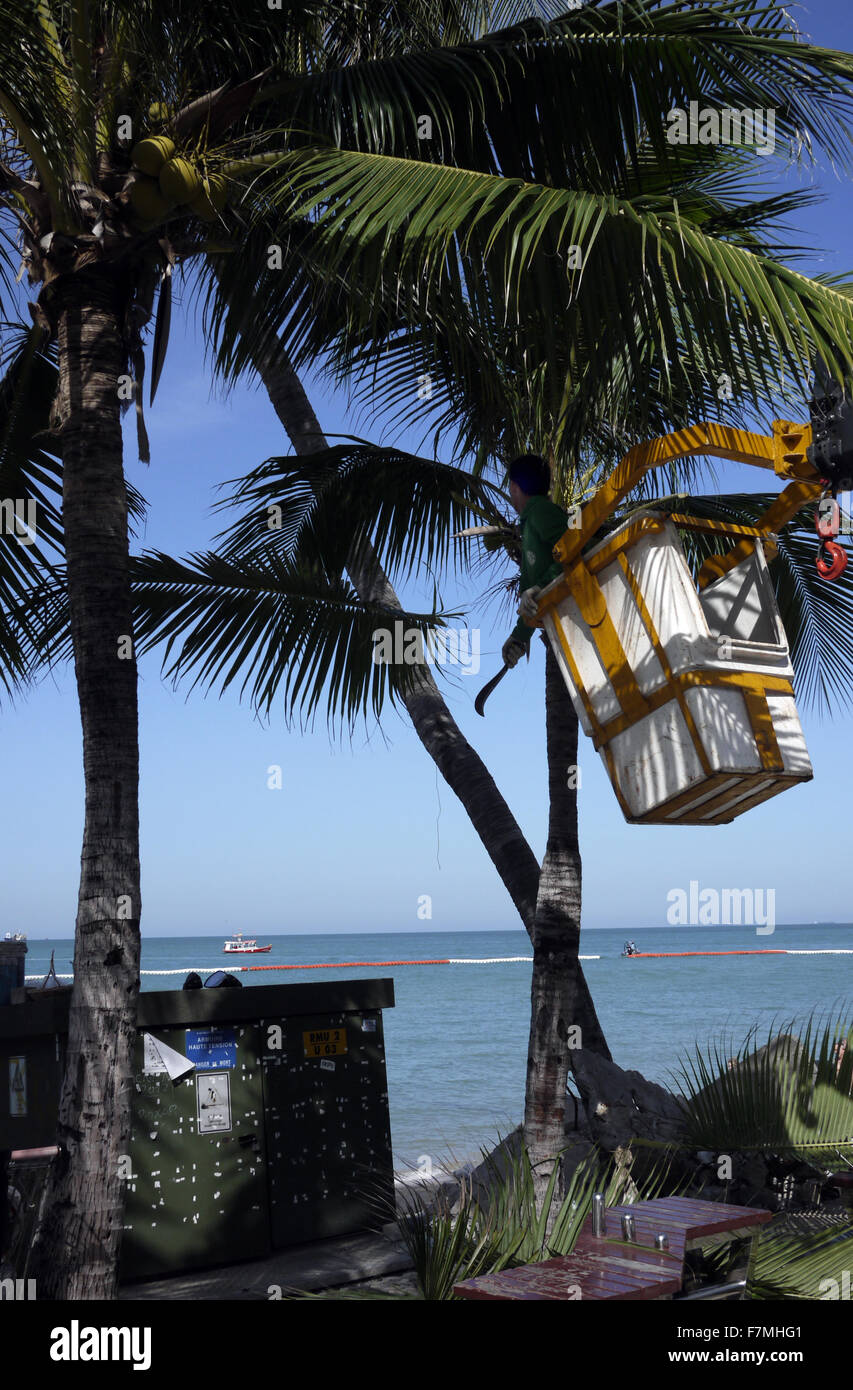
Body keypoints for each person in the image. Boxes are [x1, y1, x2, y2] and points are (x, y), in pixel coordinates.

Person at [501, 453, 571, 670]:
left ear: (514, 487)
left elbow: (575, 550)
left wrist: (541, 587)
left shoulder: (541, 512)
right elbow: (530, 596)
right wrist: (518, 637)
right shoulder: (529, 527)